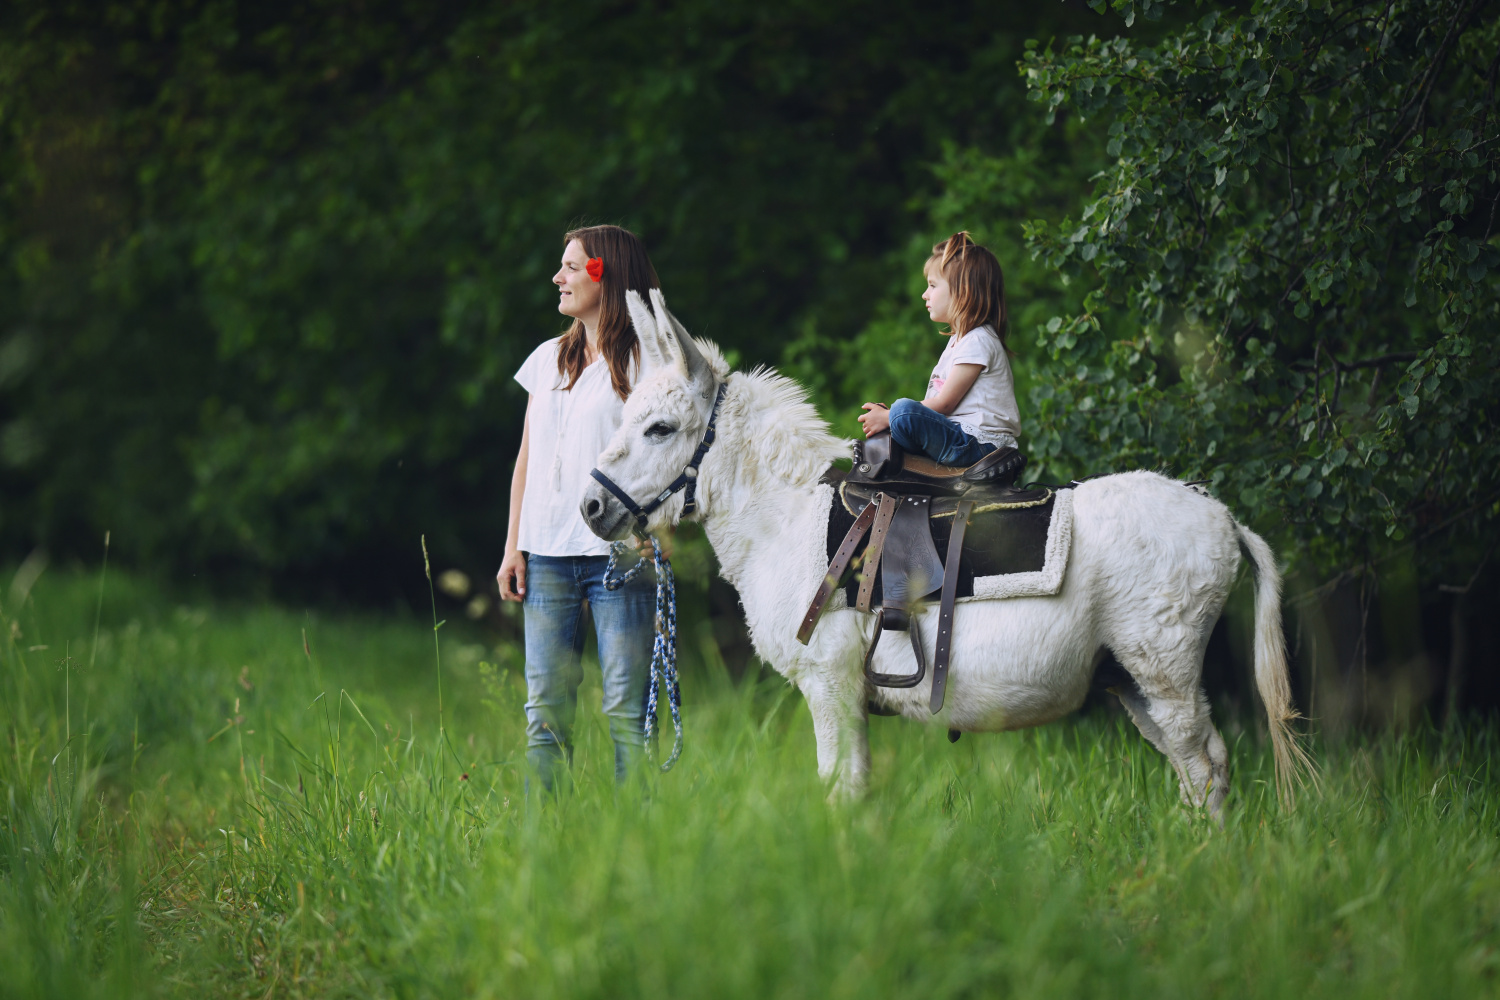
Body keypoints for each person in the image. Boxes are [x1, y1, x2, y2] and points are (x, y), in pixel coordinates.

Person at [496, 225, 659, 790]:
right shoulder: (547, 359)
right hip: (544, 556)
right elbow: (527, 457)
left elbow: (665, 454)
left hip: (619, 555)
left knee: (626, 715)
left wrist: (652, 526)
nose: (557, 277)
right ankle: (546, 853)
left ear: (602, 272)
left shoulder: (646, 361)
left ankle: (633, 851)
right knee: (545, 715)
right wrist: (512, 546)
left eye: (570, 266)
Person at [857, 232, 1021, 467]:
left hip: (979, 445)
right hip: (959, 437)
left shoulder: (978, 340)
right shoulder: (959, 339)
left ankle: (892, 422)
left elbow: (945, 404)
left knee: (903, 410)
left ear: (963, 291)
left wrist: (891, 415)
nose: (925, 294)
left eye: (933, 285)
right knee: (900, 418)